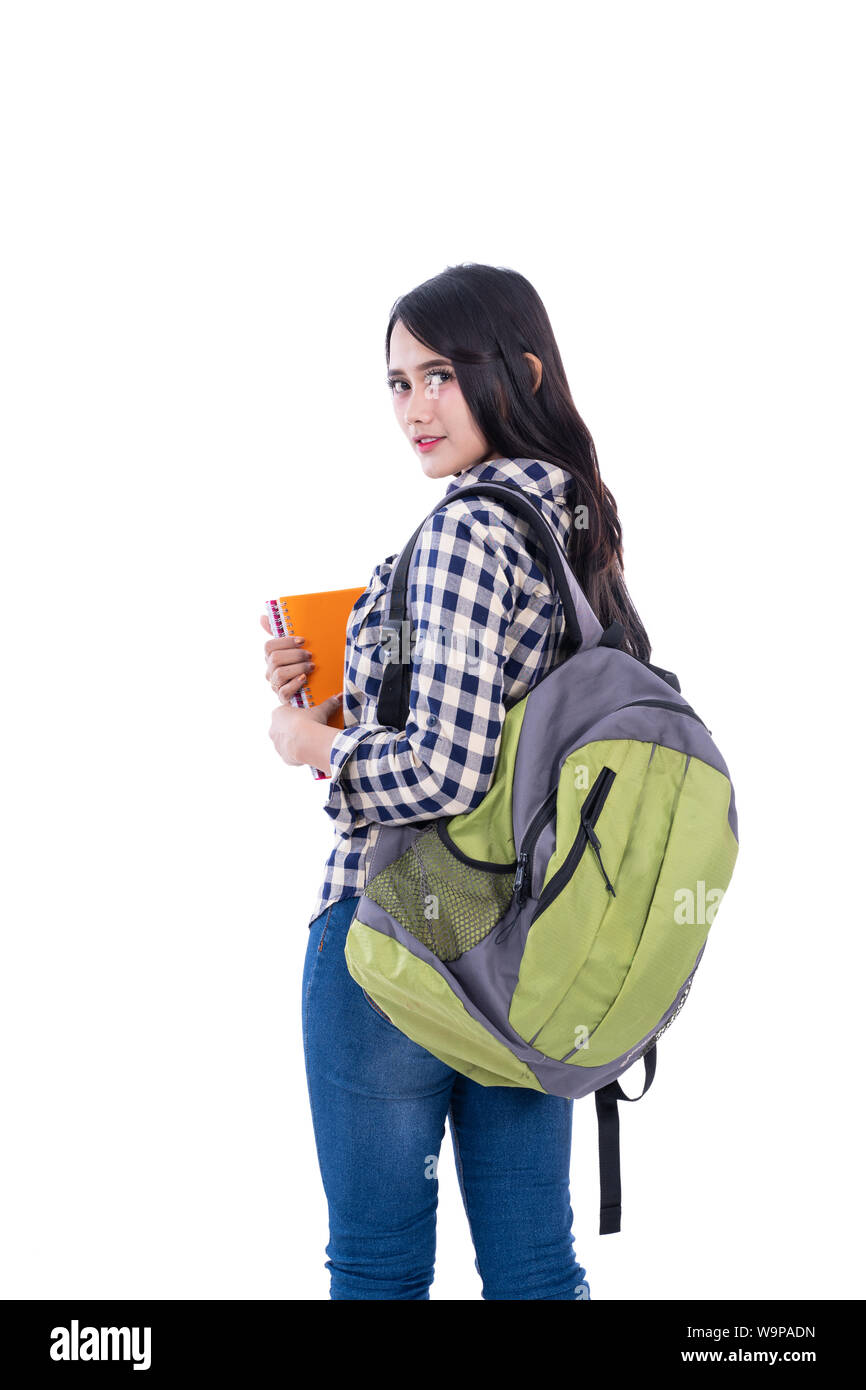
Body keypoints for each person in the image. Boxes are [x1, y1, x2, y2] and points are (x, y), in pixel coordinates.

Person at [261, 263, 651, 1300]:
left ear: (517, 371)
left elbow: (441, 767)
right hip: (522, 947)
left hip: (395, 931)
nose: (414, 408)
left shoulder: (465, 526)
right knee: (532, 1266)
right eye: (396, 382)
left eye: (440, 374)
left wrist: (308, 742)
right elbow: (511, 743)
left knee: (379, 1267)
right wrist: (346, 689)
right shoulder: (572, 526)